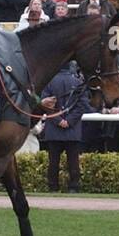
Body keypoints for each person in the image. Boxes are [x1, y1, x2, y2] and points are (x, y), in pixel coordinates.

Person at [39, 60, 89, 191]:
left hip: (54, 129)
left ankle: (53, 187)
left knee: (53, 162)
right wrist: (69, 121)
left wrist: (58, 120)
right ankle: (74, 186)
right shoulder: (78, 82)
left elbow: (45, 104)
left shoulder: (50, 82)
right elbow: (82, 105)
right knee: (73, 161)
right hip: (72, 129)